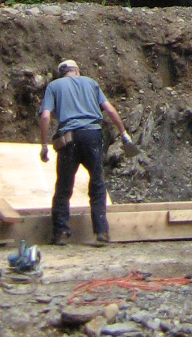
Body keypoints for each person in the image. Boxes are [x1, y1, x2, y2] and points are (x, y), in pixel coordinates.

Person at [39, 58, 133, 246]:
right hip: (93, 135)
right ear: (77, 71)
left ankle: (61, 233)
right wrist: (123, 133)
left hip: (69, 138)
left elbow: (45, 115)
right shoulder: (91, 83)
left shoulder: (54, 86)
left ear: (62, 73)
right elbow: (110, 110)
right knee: (97, 183)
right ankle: (101, 232)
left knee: (64, 186)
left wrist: (44, 145)